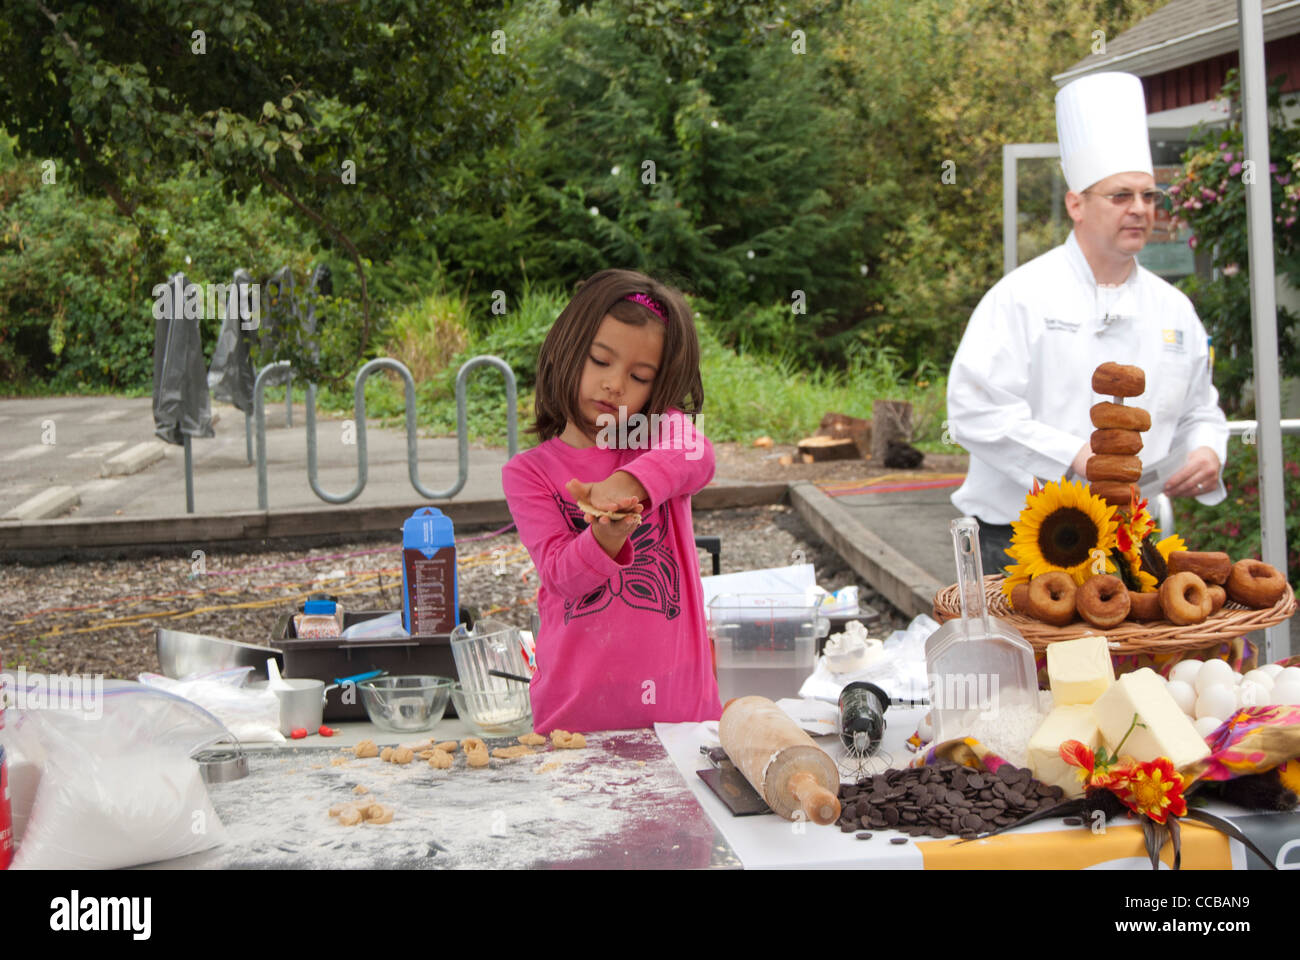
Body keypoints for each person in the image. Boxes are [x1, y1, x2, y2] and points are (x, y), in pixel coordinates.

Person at [946, 71, 1229, 574]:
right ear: (1076, 204)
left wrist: (1208, 449)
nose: (1140, 209)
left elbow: (1199, 410)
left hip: (1131, 542)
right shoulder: (1020, 297)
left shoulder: (1174, 310)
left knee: (1135, 657)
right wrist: (1077, 455)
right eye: (1120, 196)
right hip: (1022, 541)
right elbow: (974, 410)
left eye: (1148, 196)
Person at [501, 268, 722, 733]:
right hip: (575, 716)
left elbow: (697, 453)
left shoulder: (659, 435)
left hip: (680, 708)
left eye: (639, 375)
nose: (614, 384)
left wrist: (629, 484)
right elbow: (561, 575)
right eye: (600, 361)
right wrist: (603, 534)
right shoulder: (529, 473)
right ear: (566, 350)